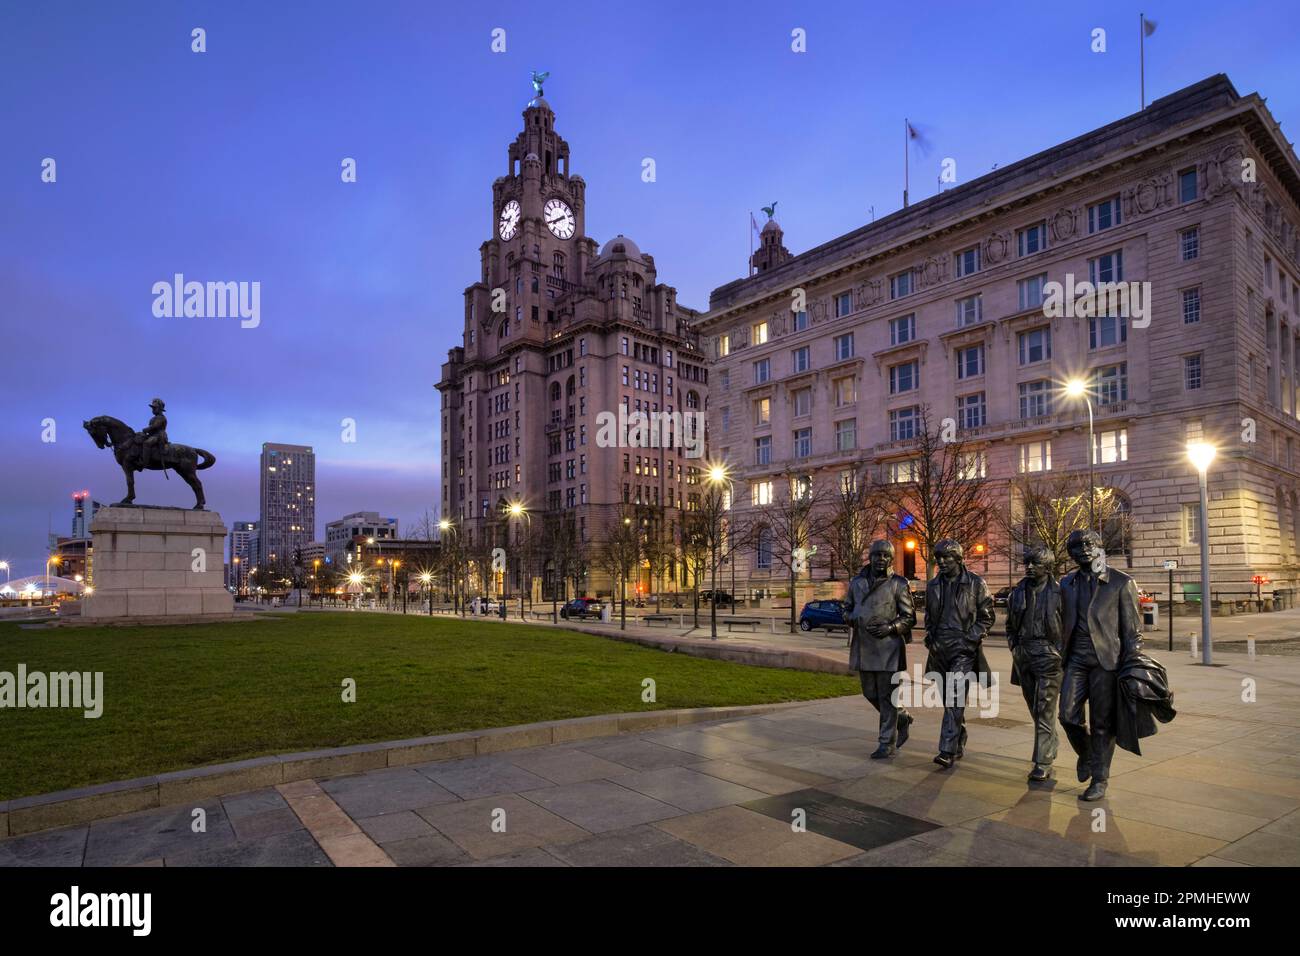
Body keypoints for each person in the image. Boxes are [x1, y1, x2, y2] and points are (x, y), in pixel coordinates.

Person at [1059, 529, 1143, 801]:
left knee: (1102, 723)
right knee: (1067, 716)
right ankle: (1087, 754)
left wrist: (1132, 665)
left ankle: (1100, 778)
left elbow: (1132, 631)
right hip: (1075, 660)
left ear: (1099, 547)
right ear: (1070, 552)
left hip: (1107, 662)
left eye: (1088, 544)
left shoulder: (1121, 582)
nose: (1083, 549)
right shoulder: (1067, 583)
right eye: (1076, 546)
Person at [923, 539, 995, 769]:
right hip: (939, 649)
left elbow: (987, 616)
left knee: (954, 697)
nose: (942, 562)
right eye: (939, 558)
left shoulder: (975, 583)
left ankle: (946, 749)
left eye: (947, 558)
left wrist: (970, 639)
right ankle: (958, 737)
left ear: (959, 559)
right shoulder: (933, 585)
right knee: (949, 701)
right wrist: (929, 638)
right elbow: (929, 616)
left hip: (963, 649)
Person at [842, 540, 916, 759]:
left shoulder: (899, 583)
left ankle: (886, 742)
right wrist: (852, 618)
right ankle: (901, 716)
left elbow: (909, 617)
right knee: (869, 692)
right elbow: (846, 609)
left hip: (888, 648)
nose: (880, 559)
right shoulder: (857, 583)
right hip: (864, 646)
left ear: (891, 559)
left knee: (886, 695)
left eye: (885, 556)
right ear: (870, 557)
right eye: (877, 555)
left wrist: (891, 627)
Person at [1006, 545, 1064, 782]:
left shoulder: (1060, 593)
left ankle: (1043, 761)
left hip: (1049, 657)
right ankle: (1050, 742)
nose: (1029, 567)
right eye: (1027, 562)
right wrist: (1015, 647)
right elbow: (1010, 625)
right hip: (1024, 655)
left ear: (1047, 567)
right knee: (1035, 708)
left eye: (1035, 563)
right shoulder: (1018, 592)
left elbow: (1068, 626)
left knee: (1043, 708)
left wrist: (1058, 652)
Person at [140, 397, 168, 469]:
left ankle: (145, 462)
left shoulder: (161, 417)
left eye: (155, 408)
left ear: (160, 409)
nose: (153, 409)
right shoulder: (153, 418)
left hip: (159, 435)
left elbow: (155, 426)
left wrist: (146, 429)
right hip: (152, 435)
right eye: (153, 408)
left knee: (147, 443)